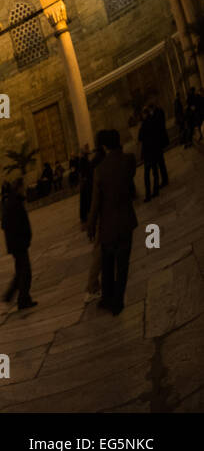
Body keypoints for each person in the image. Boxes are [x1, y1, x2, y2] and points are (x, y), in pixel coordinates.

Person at [88, 128, 138, 316]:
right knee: (122, 266)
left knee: (108, 265)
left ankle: (106, 299)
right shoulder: (129, 160)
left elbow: (95, 203)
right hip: (126, 221)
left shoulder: (99, 170)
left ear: (103, 145)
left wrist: (91, 225)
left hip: (108, 225)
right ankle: (117, 302)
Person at [1, 177, 37, 311]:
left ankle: (9, 295)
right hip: (19, 244)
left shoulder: (12, 201)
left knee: (20, 271)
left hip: (17, 244)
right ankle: (23, 300)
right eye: (23, 187)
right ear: (18, 188)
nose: (25, 190)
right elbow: (10, 225)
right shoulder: (13, 203)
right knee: (25, 272)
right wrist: (22, 239)